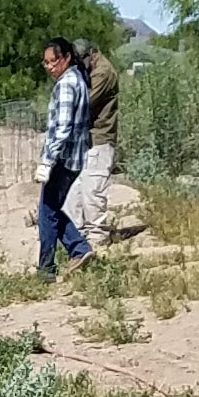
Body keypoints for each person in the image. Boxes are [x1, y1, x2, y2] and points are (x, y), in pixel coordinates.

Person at [37, 36, 91, 271]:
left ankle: (47, 268)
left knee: (47, 213)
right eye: (46, 63)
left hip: (64, 159)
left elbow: (63, 127)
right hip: (75, 158)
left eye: (53, 61)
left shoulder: (67, 84)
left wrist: (47, 161)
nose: (50, 67)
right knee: (52, 209)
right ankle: (79, 249)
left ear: (66, 58)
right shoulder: (78, 79)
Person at [76, 37, 122, 247]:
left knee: (93, 190)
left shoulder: (103, 73)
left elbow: (84, 103)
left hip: (100, 139)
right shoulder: (92, 70)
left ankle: (97, 239)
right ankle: (83, 238)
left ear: (90, 54)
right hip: (89, 140)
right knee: (80, 191)